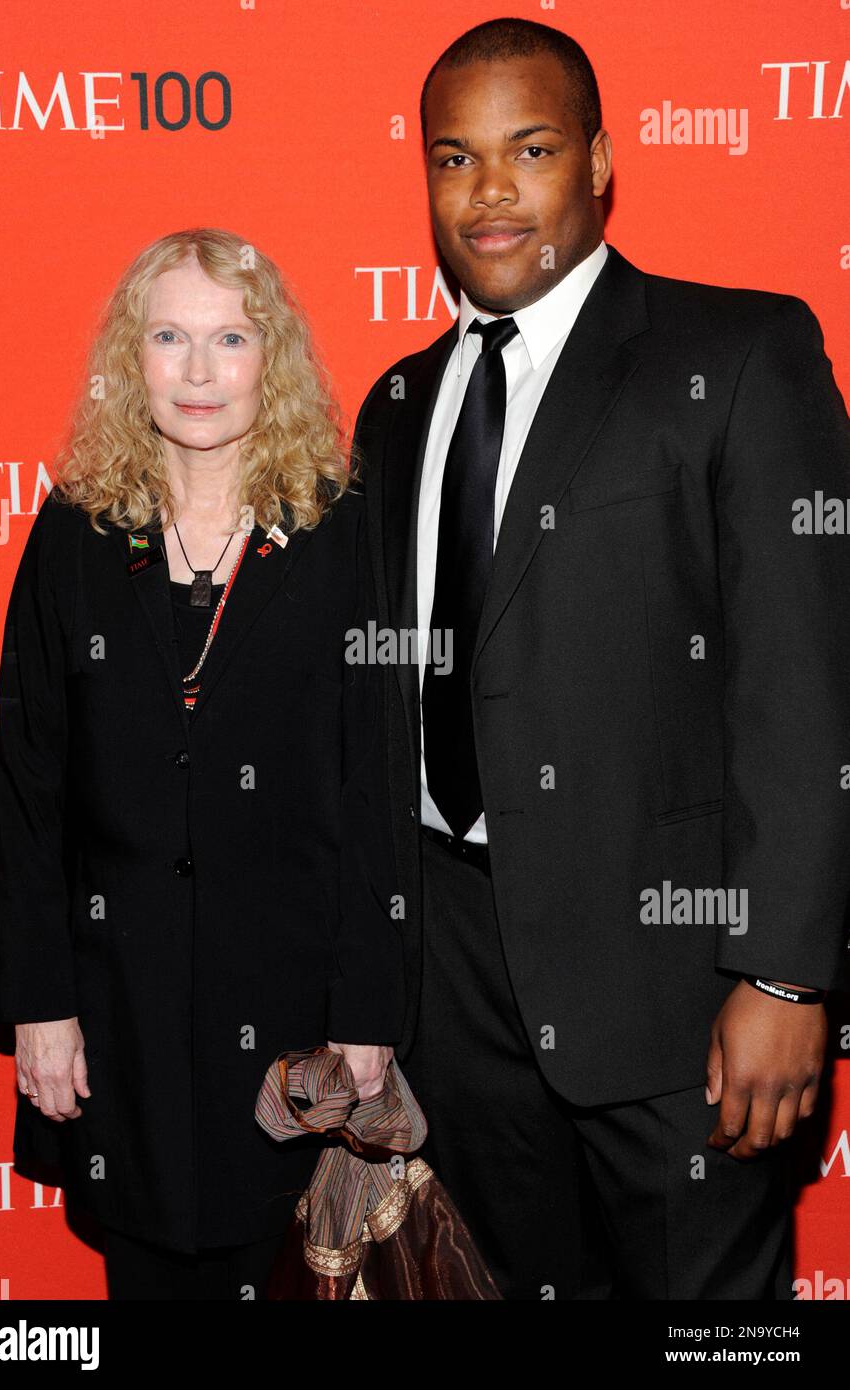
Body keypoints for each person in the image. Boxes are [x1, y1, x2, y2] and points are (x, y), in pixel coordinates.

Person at [353, 18, 850, 1299]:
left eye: (530, 148)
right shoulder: (398, 406)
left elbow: (806, 687)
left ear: (601, 161)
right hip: (447, 988)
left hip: (674, 991)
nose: (490, 192)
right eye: (453, 159)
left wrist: (784, 970)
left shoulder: (733, 355)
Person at [0, 227, 404, 1300]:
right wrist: (40, 1002)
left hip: (293, 1009)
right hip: (119, 1004)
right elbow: (31, 788)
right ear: (133, 358)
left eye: (230, 337)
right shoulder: (76, 535)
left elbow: (376, 786)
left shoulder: (336, 530)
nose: (201, 370)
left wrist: (367, 1012)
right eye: (169, 336)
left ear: (274, 357)